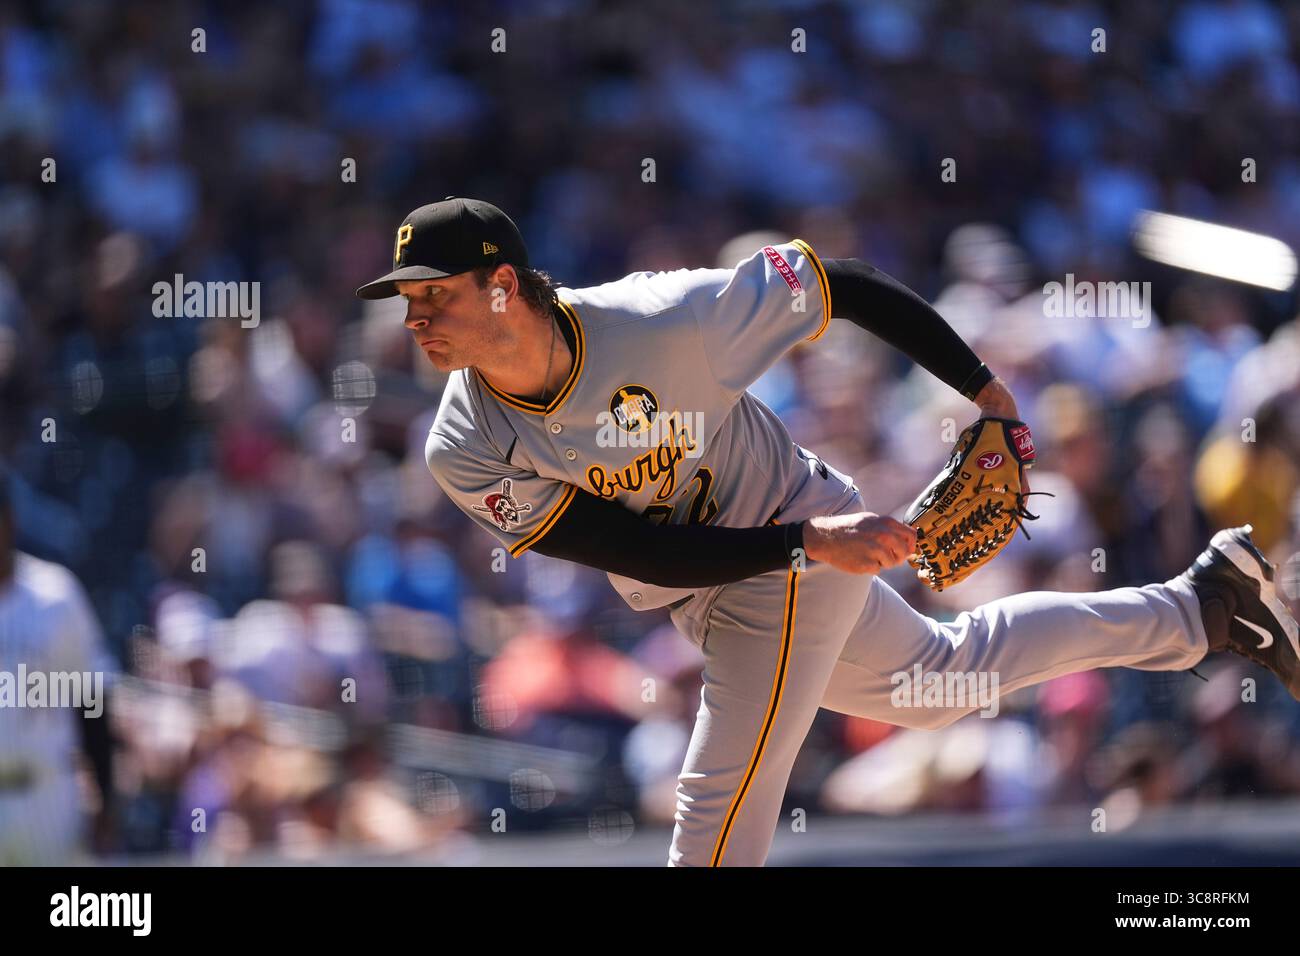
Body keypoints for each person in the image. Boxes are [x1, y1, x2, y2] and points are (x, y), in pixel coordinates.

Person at [356, 197, 1300, 867]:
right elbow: (630, 550)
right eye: (407, 300)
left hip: (790, 534)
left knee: (716, 811)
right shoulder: (462, 442)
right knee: (941, 679)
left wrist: (983, 388)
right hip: (753, 562)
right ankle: (1204, 608)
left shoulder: (663, 319)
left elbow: (842, 285)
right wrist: (811, 549)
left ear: (500, 285)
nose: (415, 317)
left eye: (432, 293)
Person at [0, 466, 116, 864]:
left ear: (9, 520)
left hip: (47, 795)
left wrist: (105, 791)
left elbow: (92, 698)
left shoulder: (55, 595)